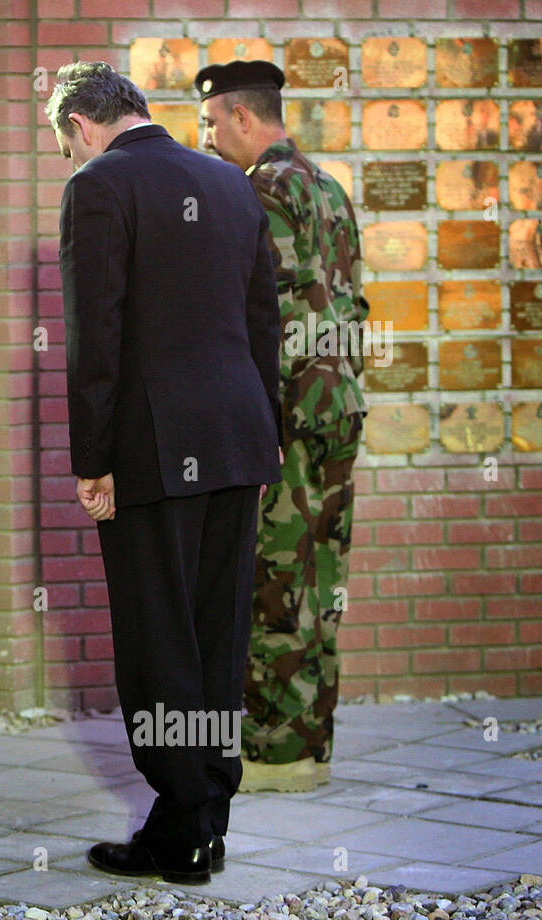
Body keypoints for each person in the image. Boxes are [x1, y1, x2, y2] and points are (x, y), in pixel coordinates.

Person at [47, 61, 283, 884]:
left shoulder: (98, 187)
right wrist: (269, 438)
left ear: (80, 125)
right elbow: (264, 319)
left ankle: (182, 827)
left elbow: (94, 339)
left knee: (158, 641)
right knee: (217, 636)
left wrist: (93, 462)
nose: (74, 162)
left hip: (151, 450)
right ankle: (203, 818)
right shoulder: (227, 181)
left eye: (68, 147)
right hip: (236, 439)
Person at [196, 60, 369, 792]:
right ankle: (313, 744)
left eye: (210, 123)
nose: (205, 139)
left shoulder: (260, 190)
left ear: (241, 116)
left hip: (288, 412)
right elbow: (352, 303)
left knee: (275, 576)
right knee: (322, 574)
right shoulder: (327, 187)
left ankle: (274, 753)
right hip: (338, 406)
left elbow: (252, 314)